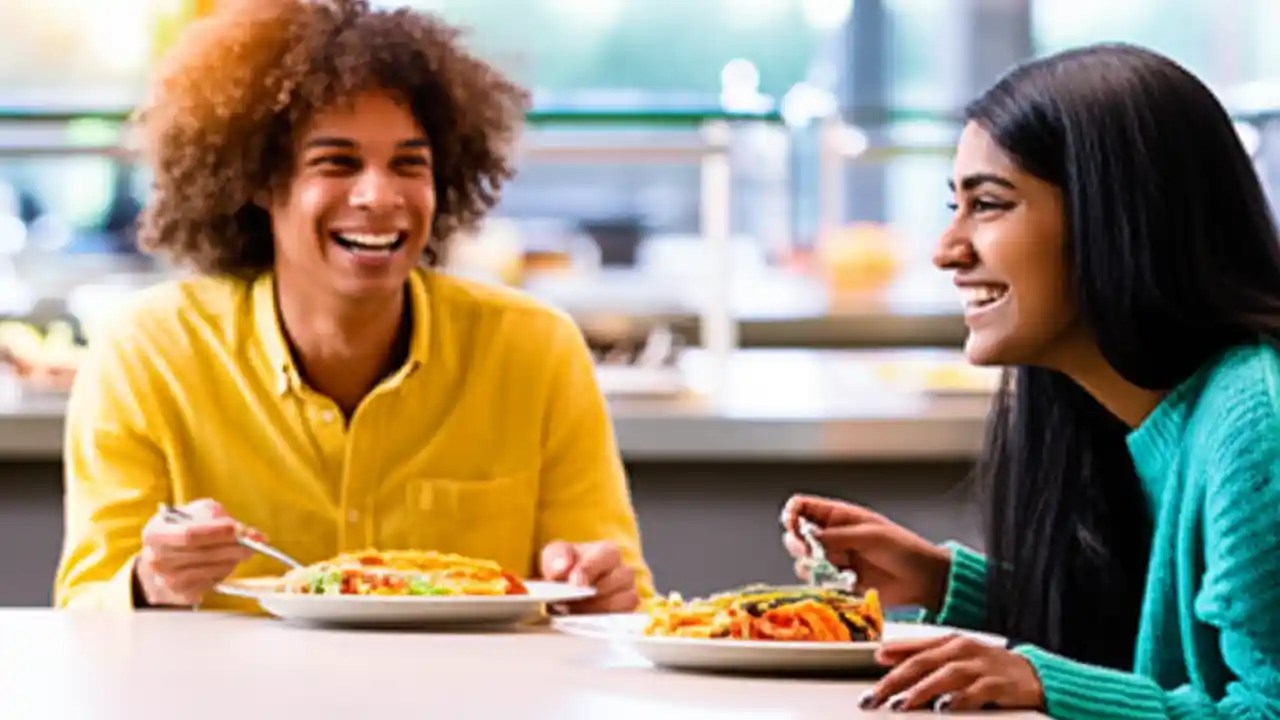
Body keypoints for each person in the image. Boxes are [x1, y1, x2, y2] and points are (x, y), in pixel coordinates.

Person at [54, 0, 652, 614]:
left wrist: (600, 593)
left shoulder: (534, 350)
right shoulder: (148, 354)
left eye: (408, 165)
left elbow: (623, 601)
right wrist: (149, 581)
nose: (378, 195)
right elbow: (85, 613)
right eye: (336, 163)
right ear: (259, 181)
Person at [783, 44, 1280, 717]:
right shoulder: (1118, 408)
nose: (946, 250)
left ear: (1117, 215)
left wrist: (1048, 685)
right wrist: (940, 581)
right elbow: (1143, 631)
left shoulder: (1257, 420)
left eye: (987, 205)